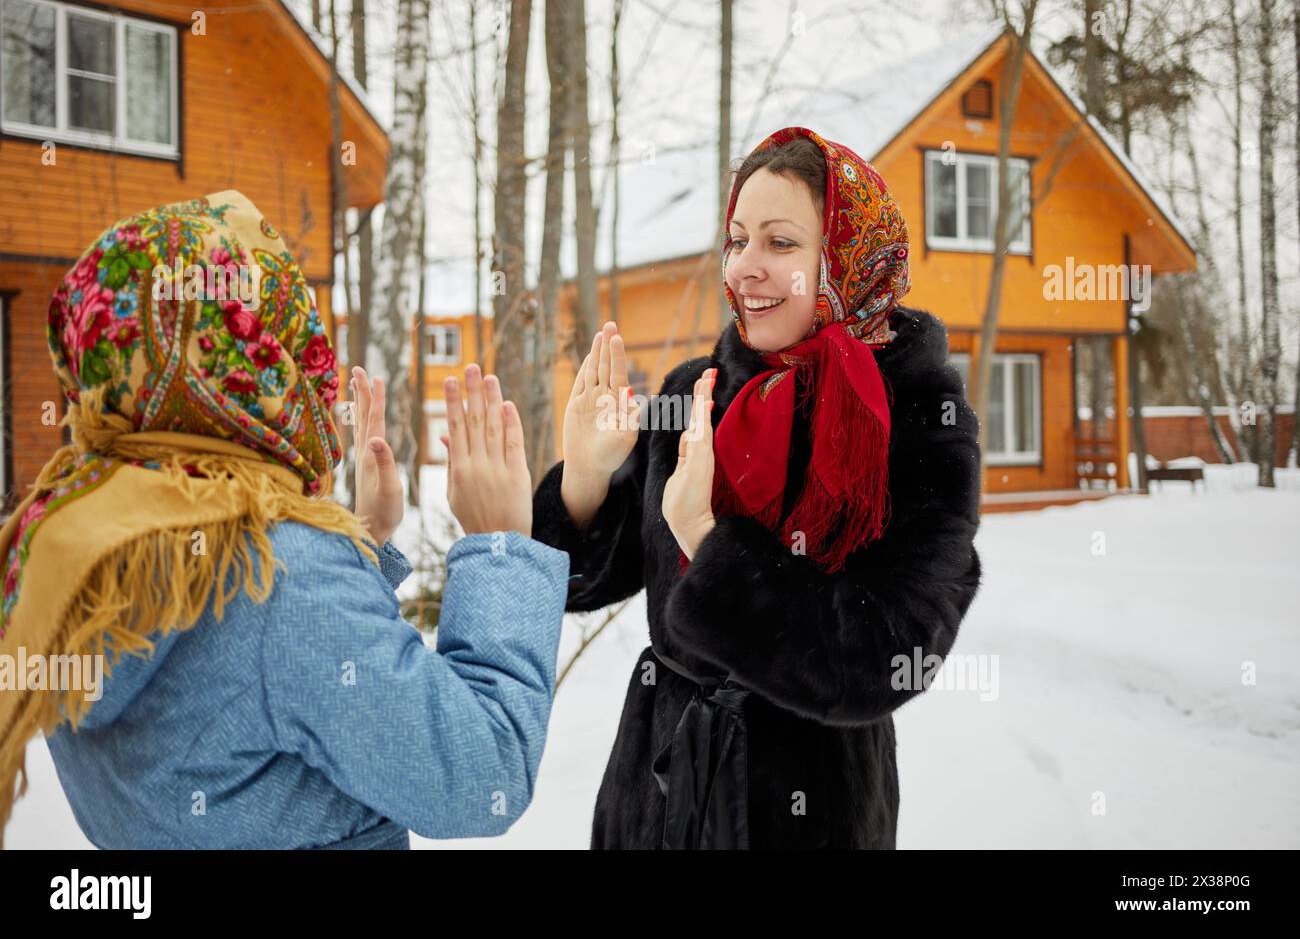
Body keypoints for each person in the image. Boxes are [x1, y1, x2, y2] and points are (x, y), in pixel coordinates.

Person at [0, 190, 569, 849]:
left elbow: (248, 691)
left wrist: (352, 543)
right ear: (249, 354)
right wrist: (498, 546)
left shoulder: (71, 537)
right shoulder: (280, 576)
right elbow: (479, 774)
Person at [531, 126, 984, 849]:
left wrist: (709, 544)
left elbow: (889, 653)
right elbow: (580, 580)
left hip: (811, 804)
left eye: (780, 243)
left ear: (845, 261)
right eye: (737, 241)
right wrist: (585, 474)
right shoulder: (696, 394)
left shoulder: (918, 422)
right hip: (656, 788)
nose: (745, 267)